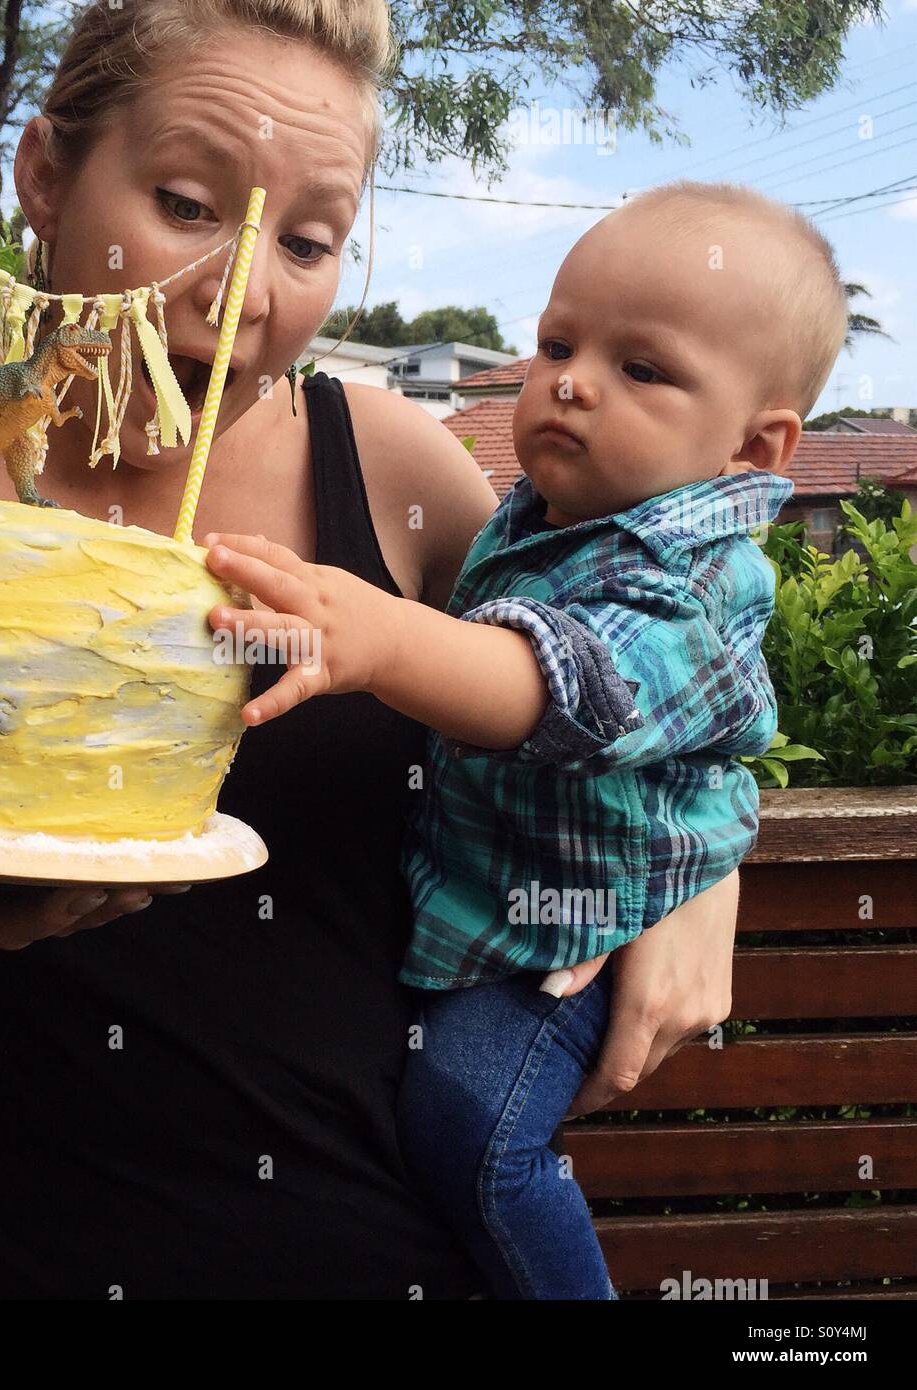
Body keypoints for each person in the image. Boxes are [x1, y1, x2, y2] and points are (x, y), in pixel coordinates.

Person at [0, 0, 740, 1298]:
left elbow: (656, 662)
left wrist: (698, 876)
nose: (244, 291)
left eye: (306, 239)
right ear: (44, 175)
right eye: (184, 202)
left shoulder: (398, 470)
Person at [201, 181, 847, 1297]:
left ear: (753, 446)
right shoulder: (536, 513)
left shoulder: (691, 575)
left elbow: (566, 688)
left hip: (563, 944)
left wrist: (377, 635)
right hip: (487, 915)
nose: (572, 381)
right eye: (556, 342)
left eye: (640, 369)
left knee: (474, 1125)